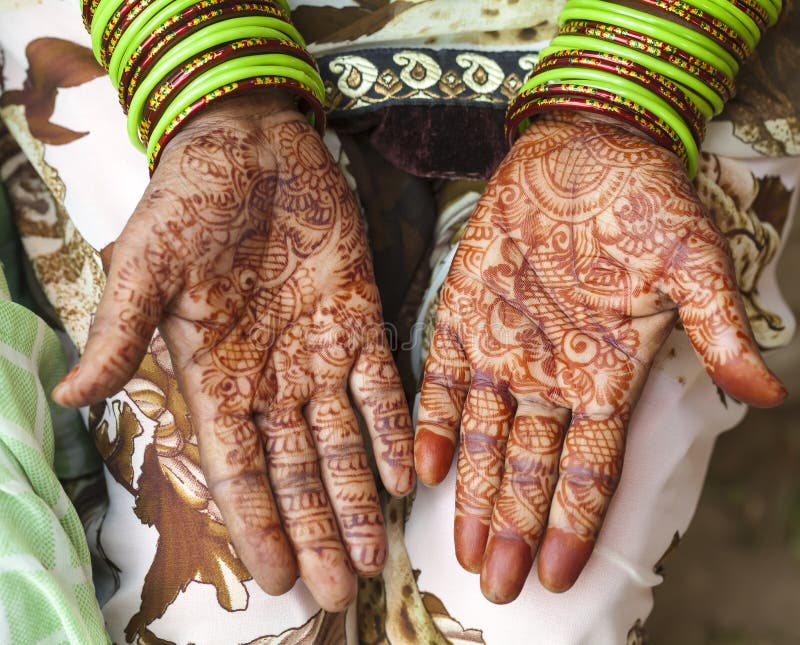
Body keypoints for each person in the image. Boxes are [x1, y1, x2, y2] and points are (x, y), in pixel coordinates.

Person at [0, 0, 797, 643]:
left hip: (664, 38)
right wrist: (215, 79)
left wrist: (626, 93)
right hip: (171, 27)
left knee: (524, 619)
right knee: (230, 613)